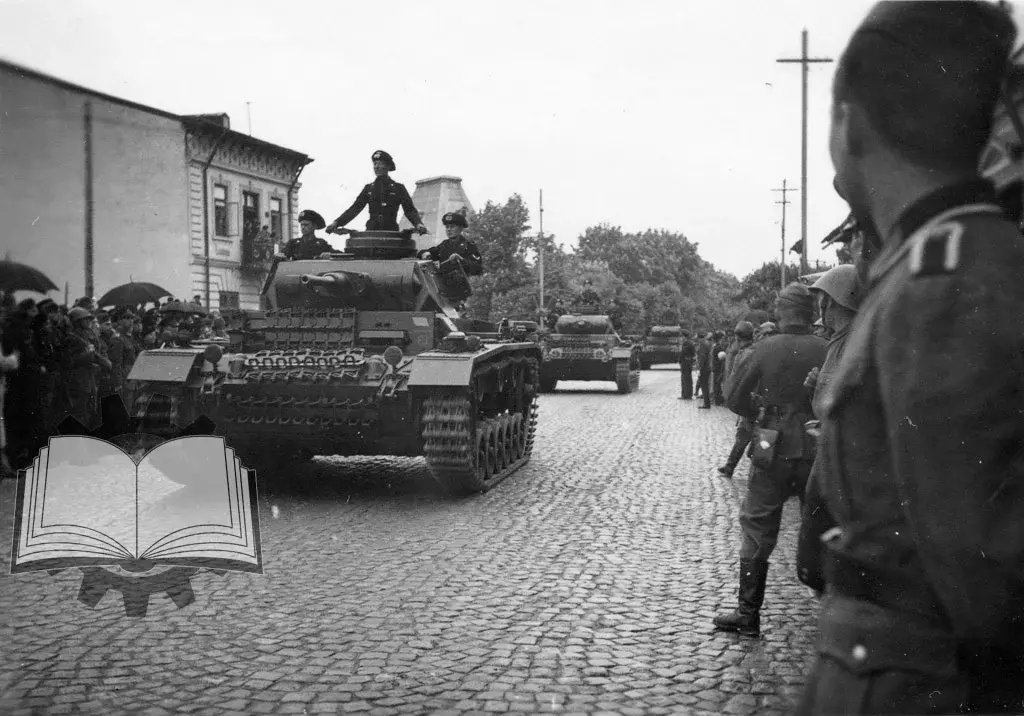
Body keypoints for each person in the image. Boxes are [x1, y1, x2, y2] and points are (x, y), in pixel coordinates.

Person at [796, 3, 1024, 714]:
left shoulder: (944, 282)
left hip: (906, 683)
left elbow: (984, 574)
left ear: (851, 124)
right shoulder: (939, 264)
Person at [713, 282, 825, 637]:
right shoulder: (828, 348)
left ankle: (748, 614)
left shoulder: (764, 348)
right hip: (814, 445)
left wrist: (759, 411)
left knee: (757, 523)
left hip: (768, 443)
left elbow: (732, 396)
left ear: (781, 311)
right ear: (811, 314)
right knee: (821, 524)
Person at [796, 262, 863, 595]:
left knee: (822, 543)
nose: (821, 307)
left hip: (841, 459)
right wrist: (814, 391)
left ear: (835, 301)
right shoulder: (836, 343)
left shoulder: (854, 342)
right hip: (827, 452)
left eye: (824, 298)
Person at [325, 150, 428, 234]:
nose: (376, 167)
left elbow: (409, 210)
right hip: (371, 232)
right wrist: (337, 223)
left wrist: (418, 224)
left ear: (388, 167)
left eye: (380, 164)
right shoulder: (369, 188)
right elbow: (355, 209)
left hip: (391, 232)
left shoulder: (398, 188)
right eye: (375, 164)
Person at [717, 321, 756, 477]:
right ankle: (730, 466)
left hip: (750, 402)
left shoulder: (746, 353)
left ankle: (734, 467)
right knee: (742, 435)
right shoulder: (752, 351)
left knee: (751, 436)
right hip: (749, 402)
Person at [417, 212, 483, 276]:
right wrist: (425, 253)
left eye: (452, 227)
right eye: (447, 227)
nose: (449, 229)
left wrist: (460, 260)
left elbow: (478, 268)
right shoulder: (444, 244)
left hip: (462, 284)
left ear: (461, 228)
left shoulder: (469, 245)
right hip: (442, 284)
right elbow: (427, 252)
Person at [695, 333, 712, 409]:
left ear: (699, 337)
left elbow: (702, 357)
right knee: (704, 386)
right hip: (706, 367)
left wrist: (700, 368)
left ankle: (706, 404)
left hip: (704, 368)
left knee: (704, 386)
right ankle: (706, 403)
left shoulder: (702, 344)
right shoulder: (706, 343)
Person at [678, 329, 696, 399]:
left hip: (686, 362)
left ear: (684, 336)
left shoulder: (688, 344)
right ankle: (685, 394)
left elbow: (683, 354)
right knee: (685, 378)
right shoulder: (688, 343)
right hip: (686, 362)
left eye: (681, 336)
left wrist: (680, 360)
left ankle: (687, 395)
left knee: (686, 379)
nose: (680, 338)